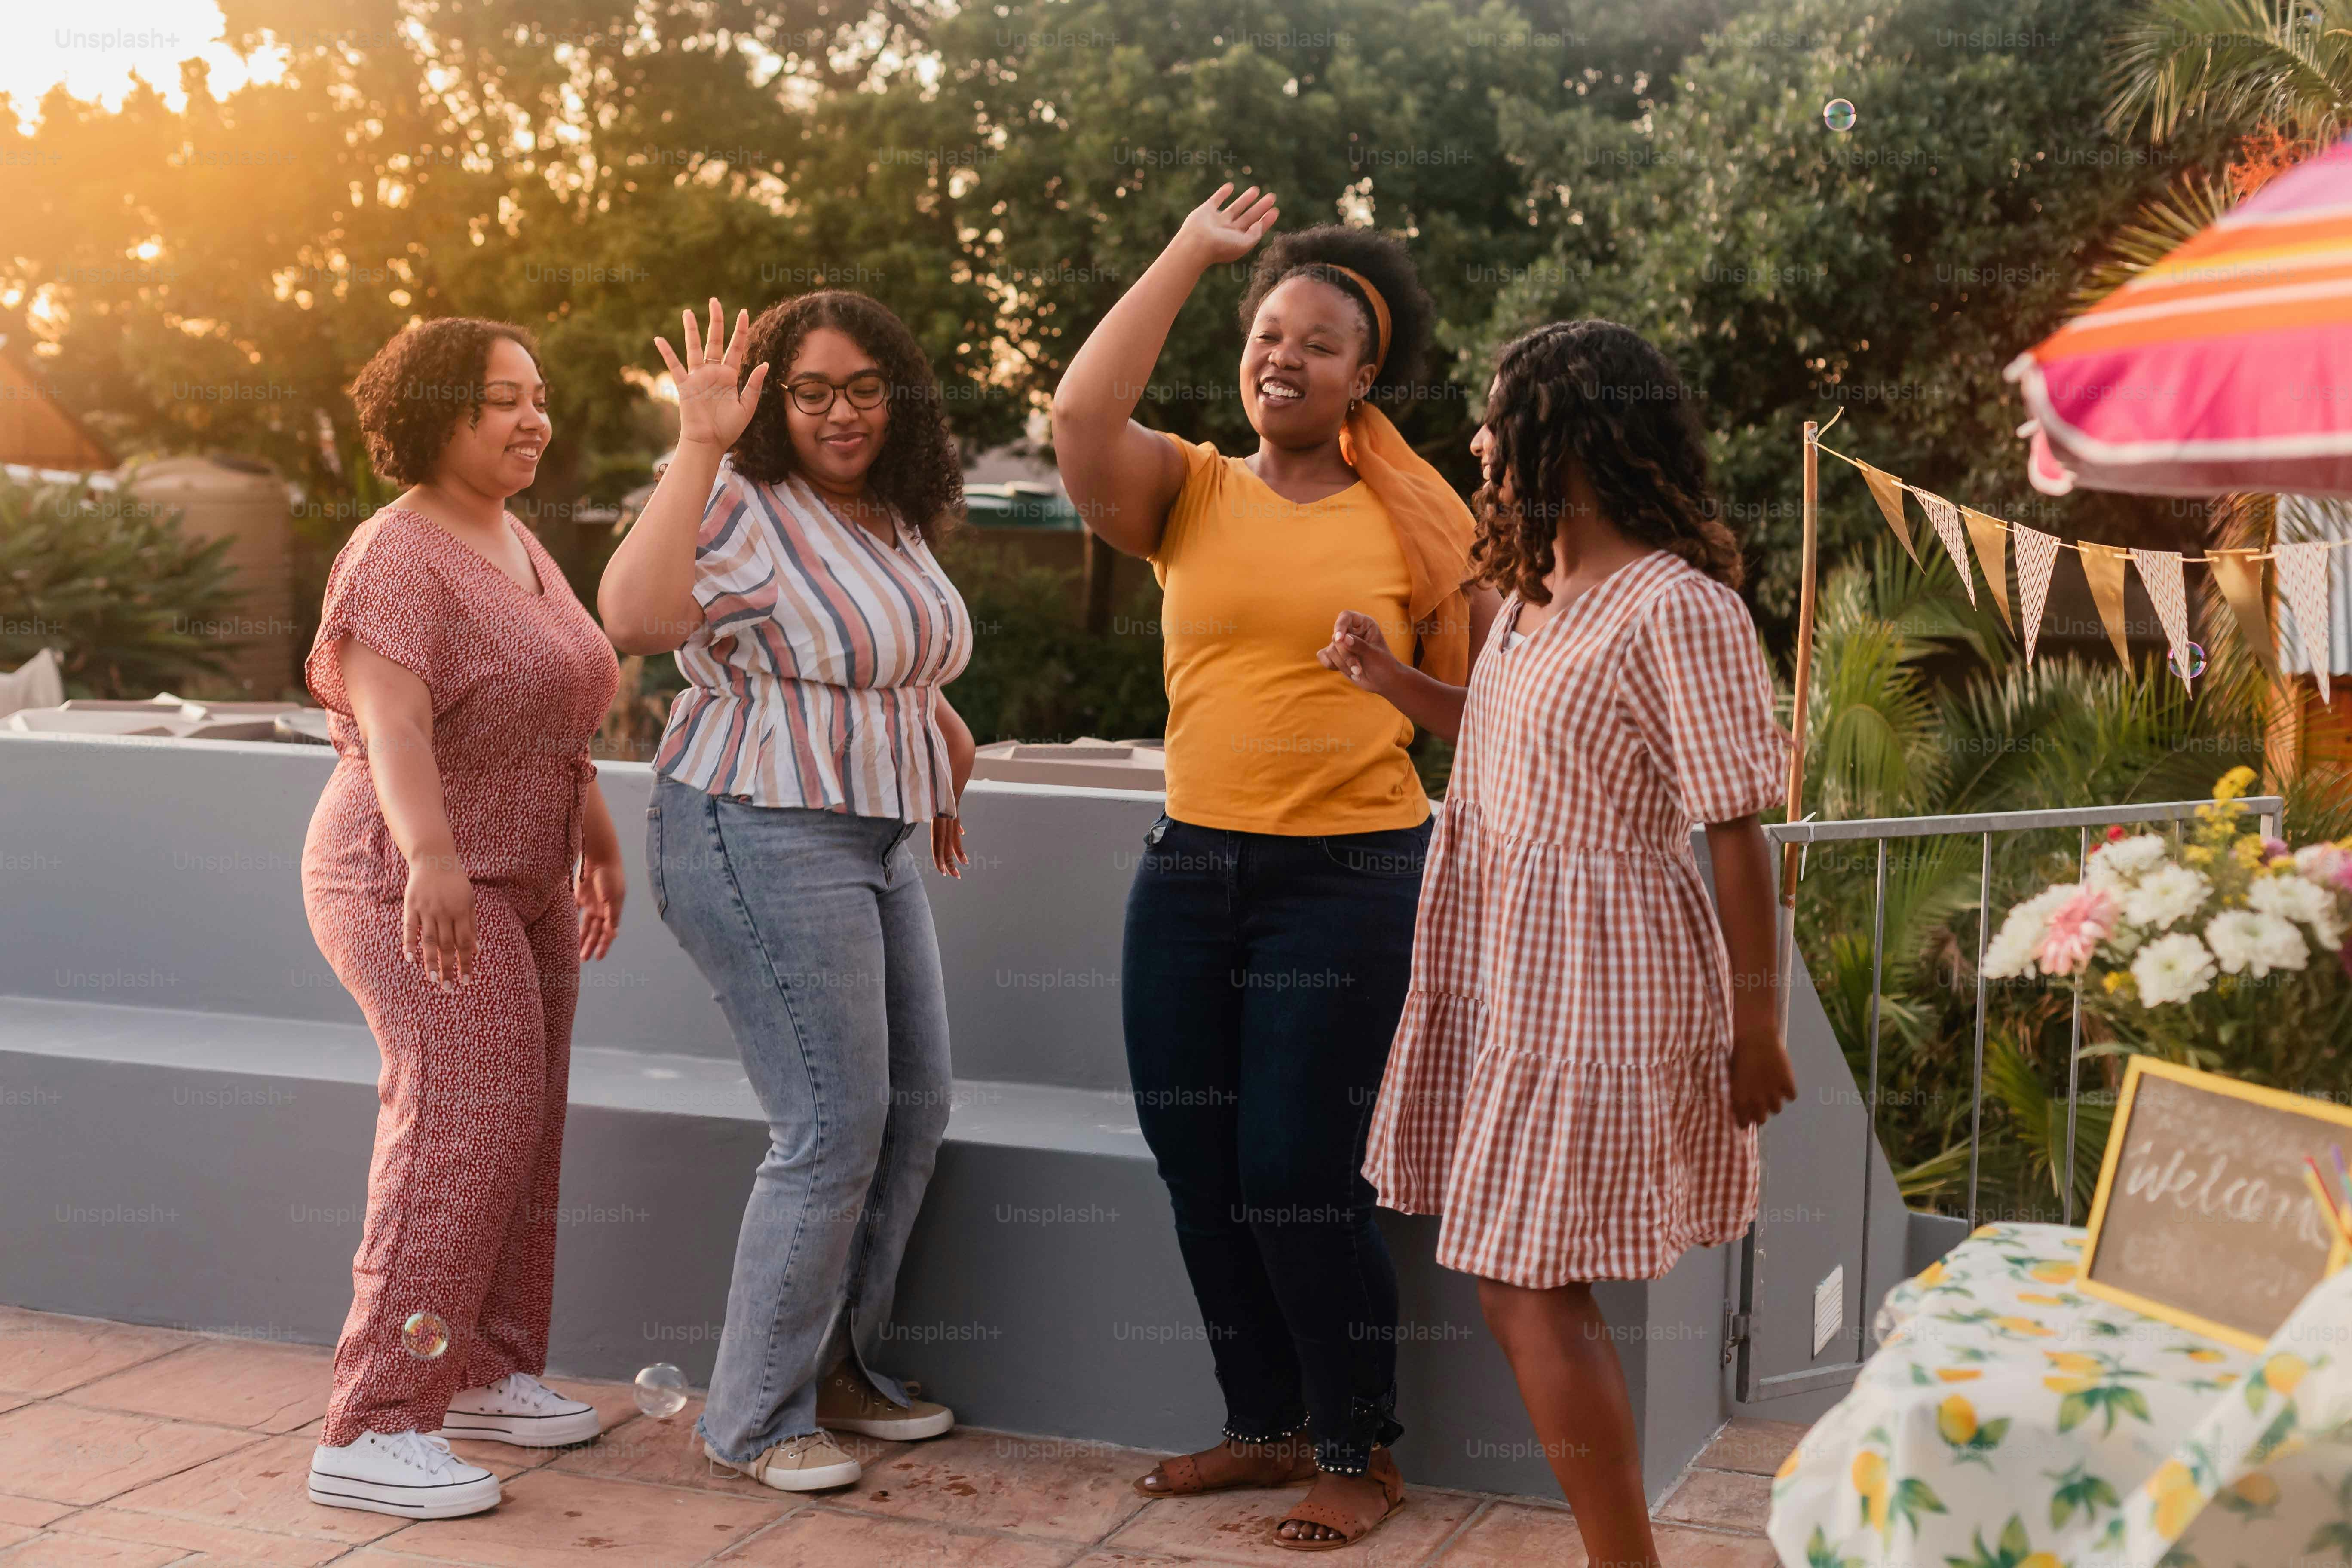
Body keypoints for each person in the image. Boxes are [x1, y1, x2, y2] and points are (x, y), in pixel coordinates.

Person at [1050, 185, 1498, 1551]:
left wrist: (1389, 670)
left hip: (1352, 877)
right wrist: (1191, 251)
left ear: (1365, 379)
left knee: (1299, 1170)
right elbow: (1079, 418)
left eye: (1317, 343)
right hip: (1190, 874)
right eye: (1267, 334)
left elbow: (1492, 716)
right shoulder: (1187, 489)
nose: (1283, 358)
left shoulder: (1422, 519)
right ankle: (1261, 1424)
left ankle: (1359, 1445)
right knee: (1199, 1160)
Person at [1348, 320, 1798, 1568]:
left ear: (1579, 434)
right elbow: (1500, 747)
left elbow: (1737, 831)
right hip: (1510, 969)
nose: (1481, 439)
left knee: (1527, 1278)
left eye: (1500, 415)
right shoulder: (1539, 599)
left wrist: (1754, 1024)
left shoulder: (1680, 609)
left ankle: (1624, 1562)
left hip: (1606, 976)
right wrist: (1396, 683)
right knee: (1520, 1277)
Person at [599, 294, 974, 1494]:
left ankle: (841, 1371)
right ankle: (753, 1419)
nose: (839, 412)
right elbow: (636, 618)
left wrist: (942, 770)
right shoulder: (739, 503)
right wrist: (699, 440)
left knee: (914, 1106)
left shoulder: (890, 514)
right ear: (775, 402)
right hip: (755, 826)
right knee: (829, 1128)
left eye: (863, 386)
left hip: (871, 835)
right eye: (809, 391)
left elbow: (894, 665)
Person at [302, 318, 625, 1519]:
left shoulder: (517, 539)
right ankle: (374, 1423)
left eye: (540, 397)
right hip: (411, 874)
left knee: (522, 1123)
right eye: (502, 400)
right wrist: (431, 854)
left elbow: (549, 706)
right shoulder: (396, 551)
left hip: (525, 874)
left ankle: (483, 1371)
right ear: (440, 410)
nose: (532, 419)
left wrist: (589, 828)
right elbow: (394, 721)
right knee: (460, 1120)